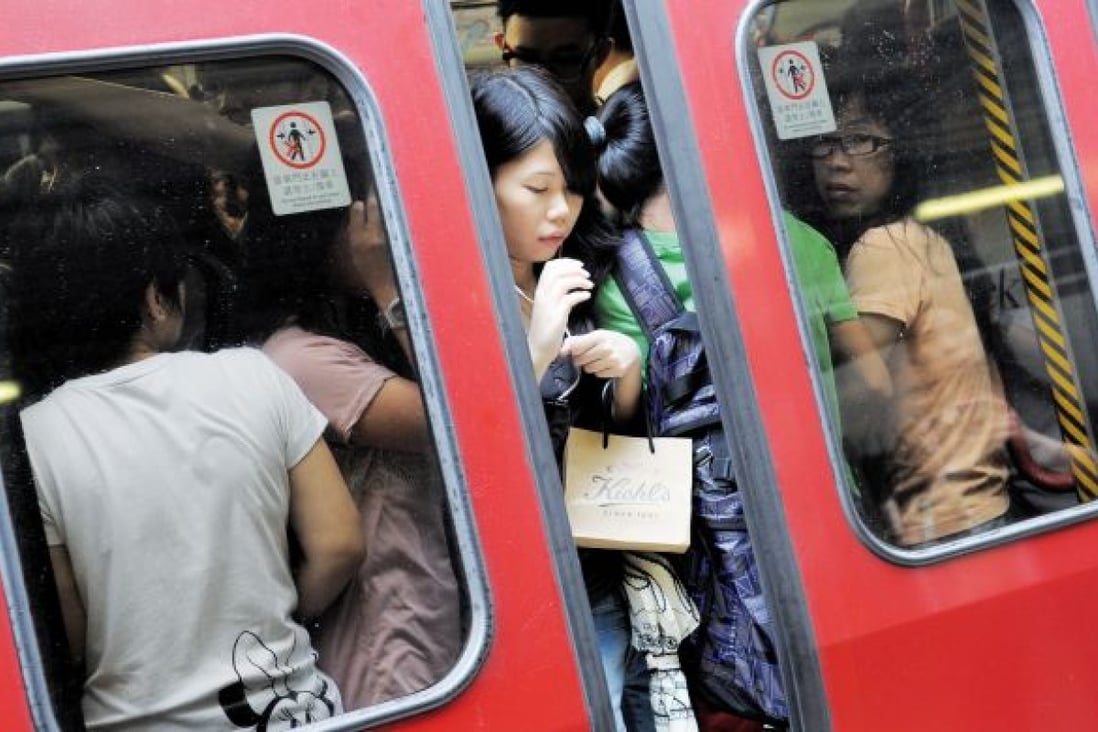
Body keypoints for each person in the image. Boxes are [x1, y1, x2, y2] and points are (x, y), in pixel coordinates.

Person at [10, 174, 364, 729]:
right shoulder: (253, 375)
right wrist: (270, 623)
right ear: (156, 298)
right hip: (291, 714)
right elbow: (340, 545)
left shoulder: (35, 437)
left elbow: (70, 630)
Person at [469, 65, 644, 731]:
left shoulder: (568, 278)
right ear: (478, 177)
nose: (559, 212)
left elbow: (610, 447)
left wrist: (624, 377)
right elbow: (471, 450)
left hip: (594, 577)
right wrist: (537, 344)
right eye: (536, 188)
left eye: (571, 190)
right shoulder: (452, 296)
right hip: (511, 596)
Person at [246, 179, 464, 707]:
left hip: (419, 610)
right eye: (368, 219)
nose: (387, 233)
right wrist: (388, 284)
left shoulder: (349, 339)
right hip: (384, 634)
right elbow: (460, 419)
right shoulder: (301, 357)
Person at [798, 66, 1013, 547]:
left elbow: (860, 392)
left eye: (861, 140)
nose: (837, 161)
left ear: (902, 152)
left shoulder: (884, 246)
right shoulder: (922, 237)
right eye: (824, 142)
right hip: (974, 506)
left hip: (940, 519)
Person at [494, 0, 613, 116]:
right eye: (527, 59)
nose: (543, 83)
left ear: (601, 54)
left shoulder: (622, 133)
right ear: (501, 46)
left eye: (564, 60)